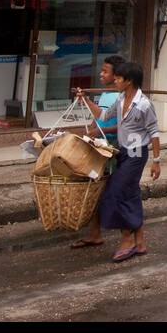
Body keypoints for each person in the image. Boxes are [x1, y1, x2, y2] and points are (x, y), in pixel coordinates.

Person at [77, 60, 161, 262]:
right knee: (130, 194)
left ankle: (127, 239)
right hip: (123, 152)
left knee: (115, 192)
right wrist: (86, 100)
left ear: (129, 81)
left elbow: (154, 133)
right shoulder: (121, 99)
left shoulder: (144, 105)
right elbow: (103, 115)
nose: (115, 80)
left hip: (136, 154)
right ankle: (139, 241)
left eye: (118, 78)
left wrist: (157, 161)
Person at [69, 54, 124, 250]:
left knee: (108, 192)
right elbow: (100, 117)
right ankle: (95, 233)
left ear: (117, 75)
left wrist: (99, 131)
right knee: (95, 189)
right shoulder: (105, 94)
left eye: (105, 72)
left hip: (111, 150)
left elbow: (122, 126)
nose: (101, 74)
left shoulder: (121, 97)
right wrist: (91, 128)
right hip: (98, 145)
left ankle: (128, 234)